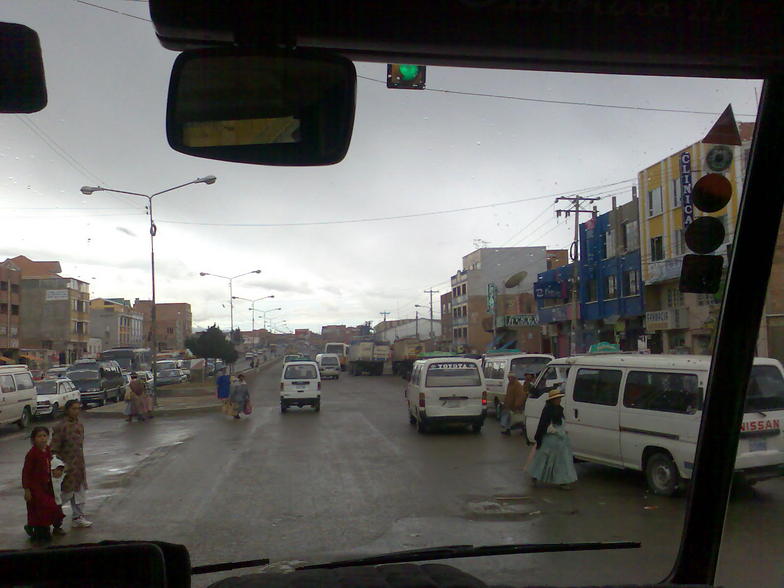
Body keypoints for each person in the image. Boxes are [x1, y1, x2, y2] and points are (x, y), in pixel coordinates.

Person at [50, 400, 92, 528]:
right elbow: (54, 448)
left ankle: (78, 517)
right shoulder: (61, 427)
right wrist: (57, 465)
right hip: (66, 466)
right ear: (67, 410)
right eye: (73, 409)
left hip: (78, 464)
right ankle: (49, 514)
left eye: (78, 408)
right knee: (65, 494)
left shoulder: (79, 425)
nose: (76, 411)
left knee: (79, 492)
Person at [527, 387, 578, 489]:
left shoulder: (560, 409)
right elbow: (543, 425)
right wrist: (553, 430)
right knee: (543, 460)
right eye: (557, 399)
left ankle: (562, 481)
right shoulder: (547, 410)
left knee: (562, 461)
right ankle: (535, 476)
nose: (559, 400)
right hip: (550, 440)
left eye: (559, 398)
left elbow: (561, 422)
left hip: (561, 440)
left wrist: (563, 430)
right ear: (552, 400)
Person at [22, 426, 65, 542]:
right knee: (42, 510)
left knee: (49, 509)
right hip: (35, 488)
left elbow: (49, 463)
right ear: (34, 439)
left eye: (44, 436)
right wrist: (27, 490)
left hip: (46, 486)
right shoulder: (32, 454)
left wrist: (56, 471)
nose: (42, 439)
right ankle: (40, 534)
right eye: (39, 436)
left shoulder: (46, 450)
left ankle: (40, 531)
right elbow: (26, 472)